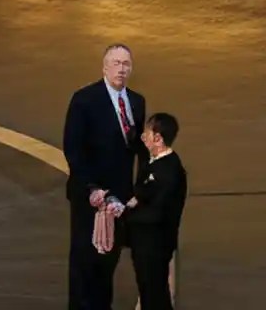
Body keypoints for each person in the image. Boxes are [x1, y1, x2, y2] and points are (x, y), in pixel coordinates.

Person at [63, 44, 148, 310]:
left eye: (126, 64)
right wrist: (92, 189)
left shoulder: (136, 101)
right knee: (85, 259)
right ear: (104, 67)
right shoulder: (84, 100)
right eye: (116, 63)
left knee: (108, 258)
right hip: (90, 196)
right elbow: (73, 149)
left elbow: (138, 149)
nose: (121, 69)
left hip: (119, 196)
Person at [125, 113, 187, 310]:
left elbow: (156, 212)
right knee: (152, 292)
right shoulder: (159, 164)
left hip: (153, 244)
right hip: (150, 243)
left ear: (158, 138)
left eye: (147, 133)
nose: (144, 137)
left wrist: (125, 213)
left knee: (153, 294)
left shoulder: (167, 171)